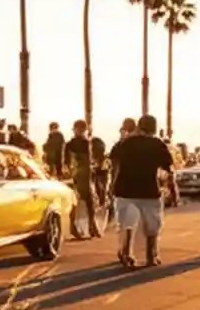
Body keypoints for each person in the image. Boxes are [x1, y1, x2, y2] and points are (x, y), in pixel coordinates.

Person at [109, 114, 177, 267]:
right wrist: (173, 191)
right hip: (148, 190)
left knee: (126, 224)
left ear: (139, 127)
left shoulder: (123, 143)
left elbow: (114, 166)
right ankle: (151, 256)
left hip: (124, 190)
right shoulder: (157, 144)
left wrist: (111, 185)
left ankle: (126, 253)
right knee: (152, 225)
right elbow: (168, 169)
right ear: (154, 128)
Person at [65, 120, 101, 239]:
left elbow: (65, 162)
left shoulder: (69, 144)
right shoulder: (86, 143)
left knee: (74, 202)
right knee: (89, 202)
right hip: (83, 175)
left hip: (72, 175)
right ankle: (91, 226)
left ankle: (74, 227)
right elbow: (88, 160)